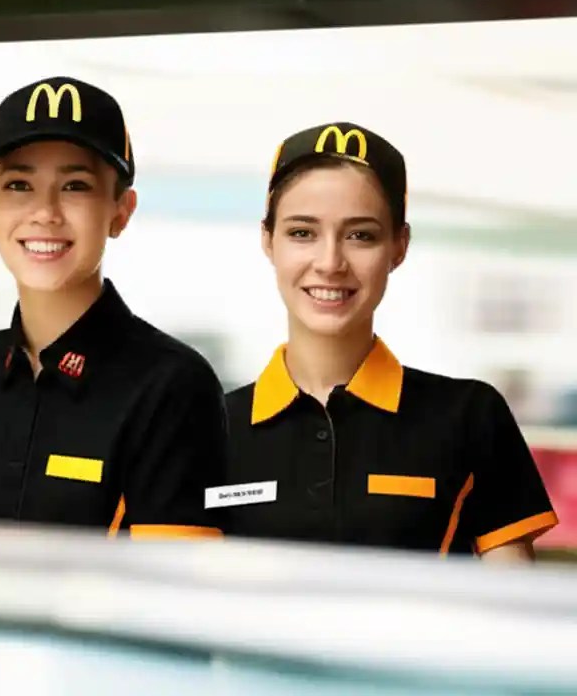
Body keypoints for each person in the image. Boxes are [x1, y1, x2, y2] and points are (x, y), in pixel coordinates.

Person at [0, 77, 229, 690]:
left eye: (76, 186)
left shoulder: (172, 386)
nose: (45, 212)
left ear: (121, 211)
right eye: (19, 185)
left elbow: (173, 631)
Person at [220, 122, 558, 561]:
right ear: (268, 240)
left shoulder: (470, 417)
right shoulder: (204, 433)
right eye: (302, 232)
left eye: (361, 235)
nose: (330, 263)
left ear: (399, 246)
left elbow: (511, 614)